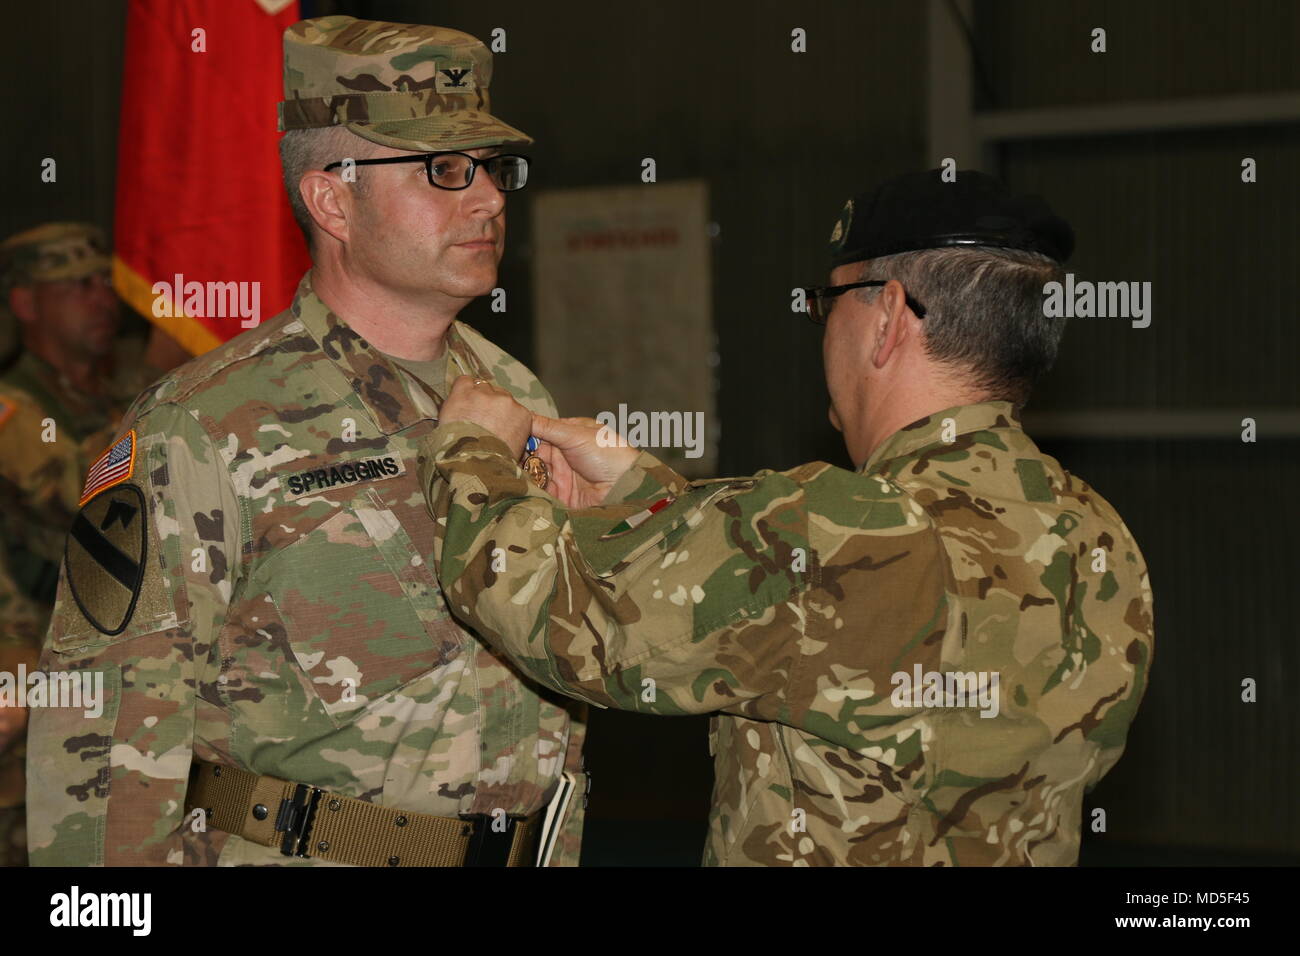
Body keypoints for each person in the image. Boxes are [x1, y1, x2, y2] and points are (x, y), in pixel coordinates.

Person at [419, 169, 1155, 866]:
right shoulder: (1097, 535)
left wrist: (473, 451)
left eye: (827, 303)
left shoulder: (840, 527)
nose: (821, 330)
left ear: (887, 318)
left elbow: (553, 609)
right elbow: (803, 620)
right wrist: (646, 495)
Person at [26, 15, 586, 867]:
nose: (490, 198)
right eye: (443, 170)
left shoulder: (517, 396)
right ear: (333, 199)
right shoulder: (202, 424)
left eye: (493, 168)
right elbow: (100, 739)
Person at [0, 222, 149, 866]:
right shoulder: (10, 407)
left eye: (103, 284)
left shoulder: (127, 389)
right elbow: (89, 491)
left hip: (129, 667)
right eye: (76, 287)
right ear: (27, 304)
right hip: (36, 668)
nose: (101, 300)